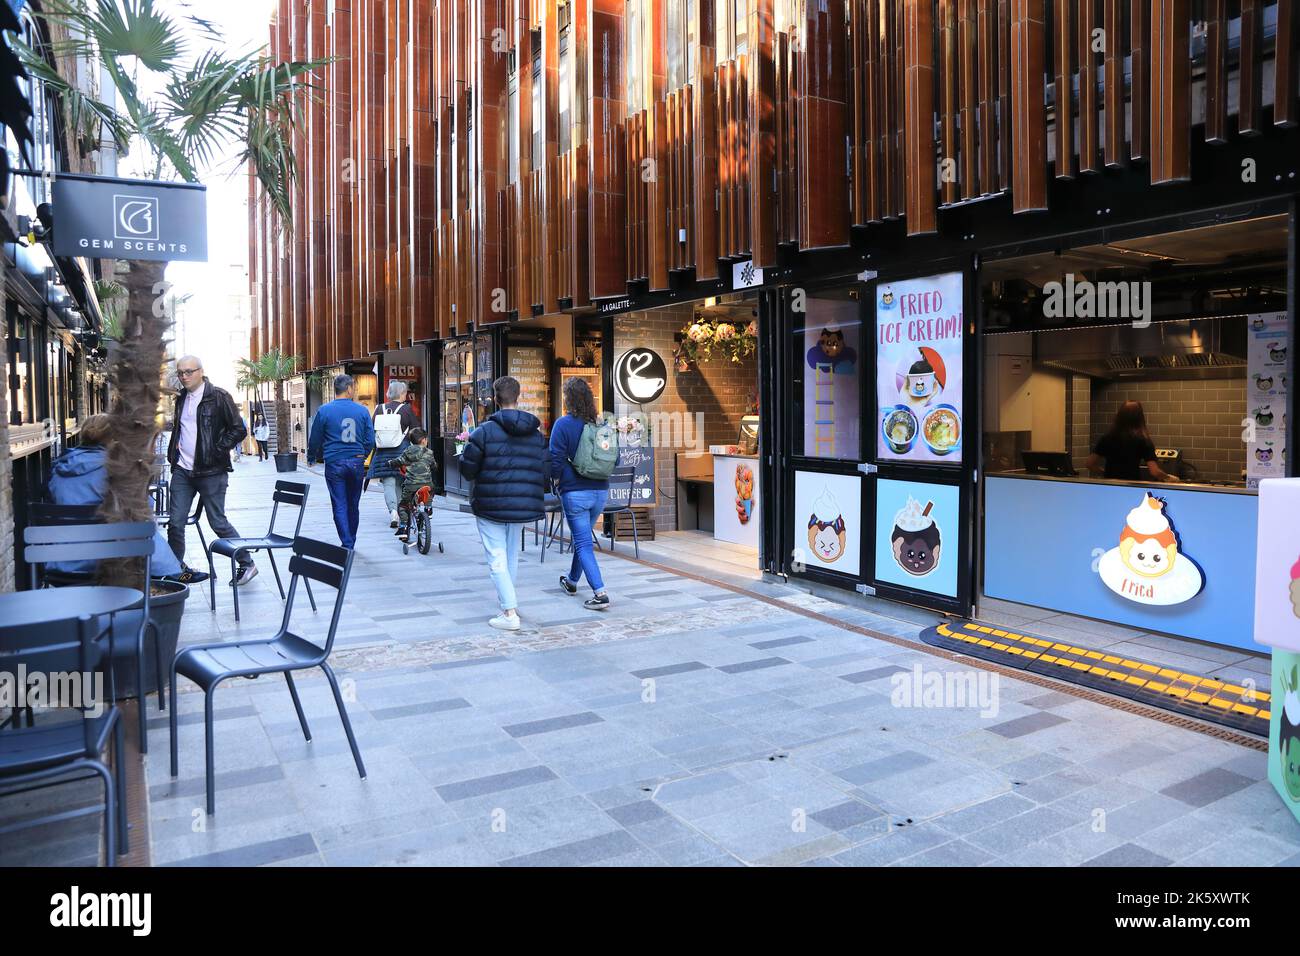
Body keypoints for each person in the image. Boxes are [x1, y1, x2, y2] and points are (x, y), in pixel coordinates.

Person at [48, 414, 205, 584]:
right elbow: (146, 512)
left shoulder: (59, 469)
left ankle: (175, 570)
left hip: (61, 561)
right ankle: (174, 571)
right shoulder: (116, 470)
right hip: (107, 562)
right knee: (139, 525)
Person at [460, 376, 546, 630]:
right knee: (510, 555)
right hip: (522, 503)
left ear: (495, 400)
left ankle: (509, 613)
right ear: (517, 397)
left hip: (490, 504)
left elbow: (468, 470)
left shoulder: (484, 432)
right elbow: (544, 466)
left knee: (496, 556)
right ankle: (509, 603)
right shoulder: (535, 433)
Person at [167, 355, 255, 586]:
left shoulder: (219, 397)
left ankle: (247, 564)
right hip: (183, 471)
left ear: (201, 371)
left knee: (218, 522)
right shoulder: (181, 398)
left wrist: (216, 450)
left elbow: (238, 429)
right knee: (176, 523)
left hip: (212, 472)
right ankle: (175, 571)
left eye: (188, 372)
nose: (184, 377)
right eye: (180, 373)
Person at [549, 376, 611, 611]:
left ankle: (600, 592)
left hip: (575, 492)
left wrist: (557, 479)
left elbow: (555, 458)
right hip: (600, 491)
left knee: (583, 542)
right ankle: (572, 581)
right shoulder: (600, 424)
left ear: (568, 399)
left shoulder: (563, 424)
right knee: (581, 538)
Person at [308, 373, 375, 549]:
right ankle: (351, 539)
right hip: (356, 461)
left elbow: (315, 437)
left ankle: (347, 543)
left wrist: (311, 457)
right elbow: (370, 440)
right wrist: (362, 454)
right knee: (354, 504)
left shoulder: (324, 410)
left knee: (339, 503)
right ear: (349, 389)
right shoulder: (362, 411)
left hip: (334, 462)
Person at [368, 379, 422, 528]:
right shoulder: (406, 409)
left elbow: (372, 430)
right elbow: (415, 431)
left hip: (383, 453)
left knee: (389, 483)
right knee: (400, 482)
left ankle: (393, 512)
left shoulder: (379, 408)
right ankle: (401, 511)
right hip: (402, 451)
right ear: (402, 393)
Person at [1087, 400, 1180, 483]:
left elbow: (1089, 464)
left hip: (1110, 485)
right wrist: (1169, 478)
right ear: (1140, 417)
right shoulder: (1142, 440)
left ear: (1119, 416)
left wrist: (1106, 474)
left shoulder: (1107, 438)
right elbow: (1154, 471)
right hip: (1131, 485)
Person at [392, 427, 436, 542]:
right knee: (431, 489)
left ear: (411, 441)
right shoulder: (429, 453)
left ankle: (403, 528)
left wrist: (390, 463)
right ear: (424, 440)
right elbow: (434, 466)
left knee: (403, 505)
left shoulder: (407, 451)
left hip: (411, 485)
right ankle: (428, 507)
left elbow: (399, 461)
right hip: (426, 484)